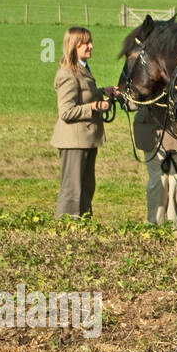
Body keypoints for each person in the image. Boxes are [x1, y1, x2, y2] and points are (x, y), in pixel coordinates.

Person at [51, 27, 114, 218]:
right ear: (74, 46)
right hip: (73, 141)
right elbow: (66, 112)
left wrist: (104, 91)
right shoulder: (67, 74)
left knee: (86, 187)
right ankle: (66, 228)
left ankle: (83, 226)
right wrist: (94, 106)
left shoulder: (82, 68)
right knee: (72, 190)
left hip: (85, 139)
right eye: (86, 43)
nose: (91, 46)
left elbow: (83, 93)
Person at [133, 101, 177, 228]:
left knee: (176, 182)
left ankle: (175, 227)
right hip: (151, 134)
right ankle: (155, 225)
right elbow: (131, 103)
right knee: (158, 180)